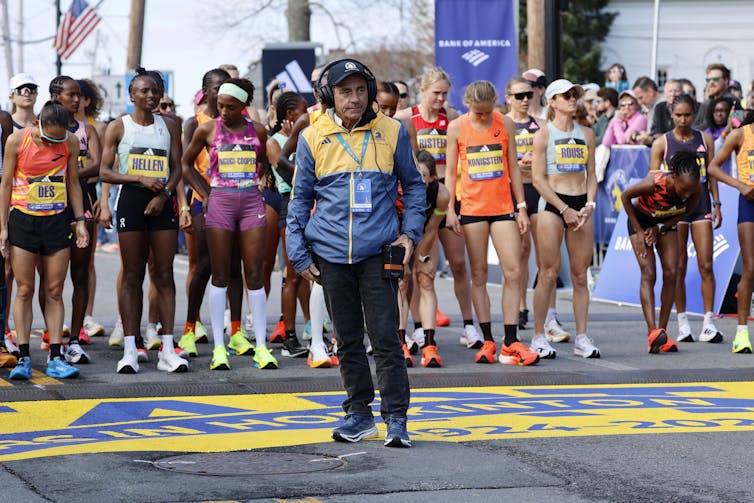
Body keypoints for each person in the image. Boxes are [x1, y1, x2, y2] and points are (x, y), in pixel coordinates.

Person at [286, 58, 424, 448]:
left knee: (385, 339)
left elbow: (414, 187)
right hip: (329, 253)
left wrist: (409, 236)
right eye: (345, 91)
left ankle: (396, 418)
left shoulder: (393, 131)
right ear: (330, 96)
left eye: (360, 90)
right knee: (346, 340)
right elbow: (299, 200)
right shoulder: (313, 136)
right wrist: (298, 253)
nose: (355, 98)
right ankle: (359, 415)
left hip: (378, 252)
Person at [183, 78, 279, 370]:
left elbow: (262, 161)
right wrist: (207, 193)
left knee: (254, 272)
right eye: (221, 106)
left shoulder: (257, 131)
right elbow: (186, 164)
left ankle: (261, 347)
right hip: (221, 204)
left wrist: (257, 181)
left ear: (243, 107)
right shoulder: (208, 129)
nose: (223, 111)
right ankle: (219, 348)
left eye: (231, 107)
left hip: (250, 202)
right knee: (220, 273)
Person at [100, 68, 188, 374]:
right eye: (143, 91)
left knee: (164, 273)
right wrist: (137, 177)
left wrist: (163, 194)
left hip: (161, 201)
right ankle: (130, 349)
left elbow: (178, 168)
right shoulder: (117, 127)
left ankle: (166, 348)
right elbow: (105, 172)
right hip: (132, 201)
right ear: (131, 95)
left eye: (155, 91)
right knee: (132, 275)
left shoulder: (171, 125)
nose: (150, 96)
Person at [445, 80, 538, 366]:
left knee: (513, 271)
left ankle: (510, 341)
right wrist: (450, 208)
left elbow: (512, 168)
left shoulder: (505, 124)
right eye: (478, 113)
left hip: (502, 207)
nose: (483, 117)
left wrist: (521, 208)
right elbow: (450, 172)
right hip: (472, 208)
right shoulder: (457, 127)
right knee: (480, 274)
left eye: (487, 112)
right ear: (468, 104)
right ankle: (487, 340)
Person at [0, 100, 89, 379]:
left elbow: (73, 182)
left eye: (58, 139)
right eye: (49, 138)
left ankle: (55, 356)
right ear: (38, 123)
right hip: (24, 221)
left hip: (56, 221)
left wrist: (80, 221)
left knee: (54, 290)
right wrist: (3, 227)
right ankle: (24, 357)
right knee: (25, 289)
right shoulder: (17, 140)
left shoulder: (70, 142)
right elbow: (5, 184)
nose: (54, 144)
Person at [394, 67, 478, 346]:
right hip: (420, 196)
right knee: (417, 267)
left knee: (458, 263)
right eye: (436, 93)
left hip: (448, 195)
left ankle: (469, 325)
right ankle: (418, 326)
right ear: (423, 91)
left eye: (445, 93)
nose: (441, 98)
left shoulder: (453, 118)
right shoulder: (406, 119)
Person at [531, 79, 600, 359]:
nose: (573, 99)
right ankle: (538, 335)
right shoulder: (544, 135)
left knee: (581, 276)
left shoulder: (587, 133)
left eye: (575, 95)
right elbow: (537, 178)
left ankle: (582, 337)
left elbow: (592, 174)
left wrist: (590, 203)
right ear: (553, 101)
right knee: (548, 273)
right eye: (566, 95)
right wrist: (563, 209)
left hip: (580, 203)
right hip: (552, 203)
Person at [649, 94, 721, 344]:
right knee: (678, 266)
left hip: (701, 205)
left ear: (694, 113)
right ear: (671, 113)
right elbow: (653, 180)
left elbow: (711, 174)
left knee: (706, 264)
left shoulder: (705, 139)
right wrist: (656, 217)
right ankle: (682, 323)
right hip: (674, 210)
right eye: (678, 115)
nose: (682, 120)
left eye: (687, 115)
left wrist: (718, 203)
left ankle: (709, 323)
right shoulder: (662, 143)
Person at [622, 150, 702, 353]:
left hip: (665, 223)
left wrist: (661, 228)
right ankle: (652, 332)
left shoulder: (696, 188)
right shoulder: (653, 184)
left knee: (672, 272)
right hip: (640, 220)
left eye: (689, 192)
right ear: (673, 177)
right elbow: (625, 197)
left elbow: (686, 211)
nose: (686, 194)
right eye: (683, 189)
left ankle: (663, 334)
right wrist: (640, 232)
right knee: (649, 273)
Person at [47, 76, 101, 363]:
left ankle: (75, 338)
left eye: (79, 95)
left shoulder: (86, 130)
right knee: (50, 279)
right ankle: (51, 333)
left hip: (84, 203)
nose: (77, 100)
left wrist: (69, 176)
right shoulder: (43, 129)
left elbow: (97, 165)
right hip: (50, 206)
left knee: (80, 274)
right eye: (71, 95)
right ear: (56, 97)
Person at [177, 68, 230, 352]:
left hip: (236, 200)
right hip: (204, 199)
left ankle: (235, 331)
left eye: (228, 87)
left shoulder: (239, 121)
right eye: (218, 88)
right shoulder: (194, 123)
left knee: (233, 268)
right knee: (204, 265)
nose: (223, 93)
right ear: (206, 91)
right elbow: (185, 165)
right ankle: (190, 327)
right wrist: (206, 194)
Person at [263, 90, 310, 358]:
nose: (308, 114)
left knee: (308, 273)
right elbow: (287, 174)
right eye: (303, 109)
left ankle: (314, 330)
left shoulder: (305, 135)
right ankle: (289, 337)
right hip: (288, 204)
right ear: (291, 113)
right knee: (291, 274)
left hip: (308, 203)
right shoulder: (274, 142)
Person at [708, 110, 754, 353]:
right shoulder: (740, 134)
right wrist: (740, 185)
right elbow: (713, 168)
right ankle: (742, 333)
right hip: (749, 202)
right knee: (750, 268)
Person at [504, 77, 544, 331]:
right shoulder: (503, 124)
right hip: (510, 190)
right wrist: (517, 163)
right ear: (508, 98)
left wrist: (536, 158)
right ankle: (518, 305)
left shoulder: (540, 125)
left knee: (534, 251)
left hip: (536, 189)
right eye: (519, 96)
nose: (525, 100)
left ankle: (535, 307)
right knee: (518, 252)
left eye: (528, 95)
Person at [694, 64, 732, 131]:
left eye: (715, 79)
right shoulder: (707, 102)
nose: (711, 83)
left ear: (726, 81)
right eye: (708, 80)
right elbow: (696, 124)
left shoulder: (733, 101)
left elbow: (738, 125)